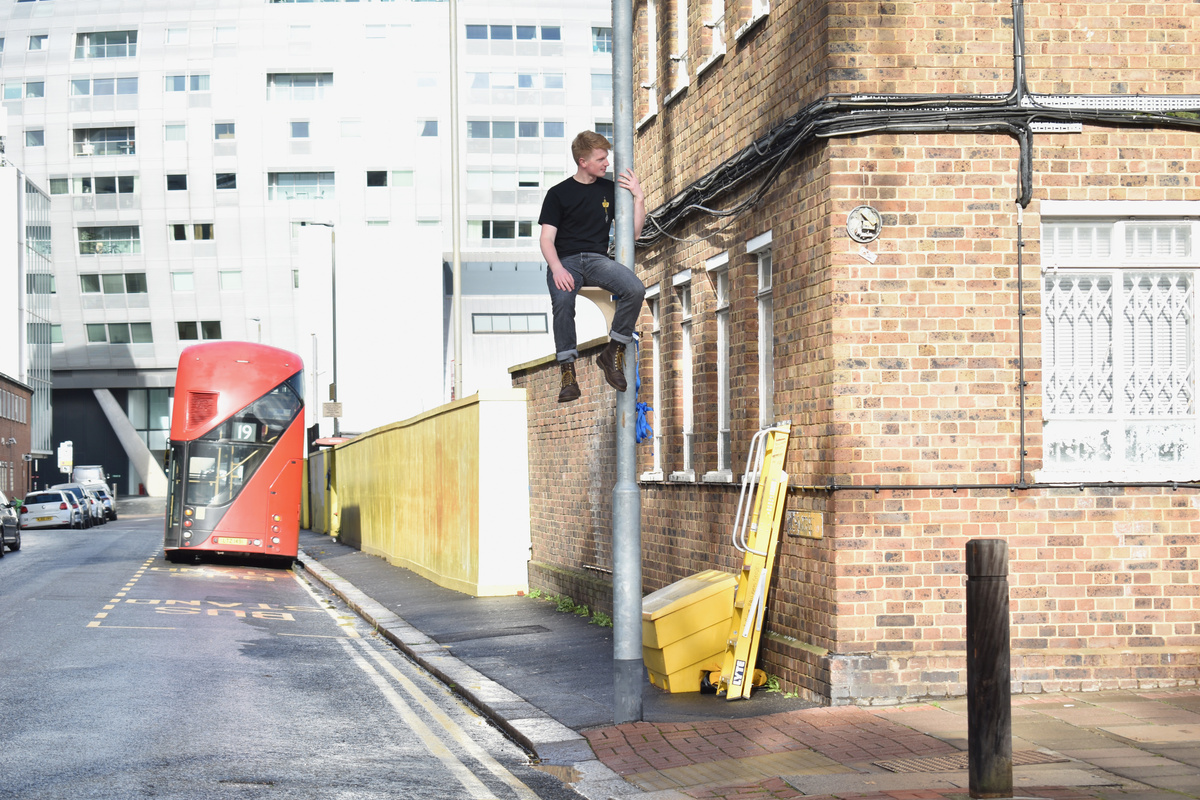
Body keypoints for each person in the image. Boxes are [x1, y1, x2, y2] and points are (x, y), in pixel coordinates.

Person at [538, 131, 647, 403]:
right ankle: (567, 373)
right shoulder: (558, 194)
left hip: (598, 260)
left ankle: (613, 353)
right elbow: (546, 239)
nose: (607, 163)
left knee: (635, 289)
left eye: (606, 158)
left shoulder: (610, 190)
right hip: (565, 262)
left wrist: (638, 198)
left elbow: (632, 234)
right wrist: (557, 269)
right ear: (583, 161)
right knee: (563, 301)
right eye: (601, 158)